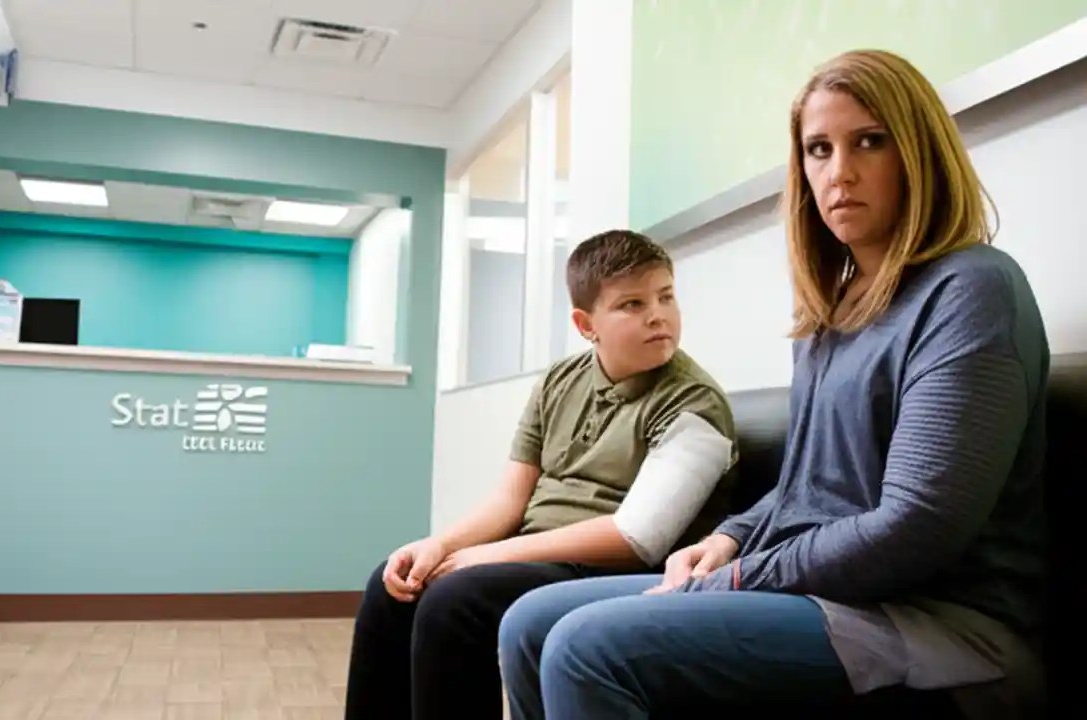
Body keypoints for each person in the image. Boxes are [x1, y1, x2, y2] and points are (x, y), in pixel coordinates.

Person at [497, 49, 1049, 720]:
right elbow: (808, 491)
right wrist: (729, 538)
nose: (839, 172)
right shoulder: (831, 310)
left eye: (869, 141)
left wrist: (741, 575)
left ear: (920, 151)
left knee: (586, 648)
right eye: (819, 149)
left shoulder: (972, 289)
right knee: (529, 623)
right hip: (830, 594)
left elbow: (917, 525)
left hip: (941, 622)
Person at [343, 230, 740, 720]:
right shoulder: (558, 381)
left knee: (455, 600)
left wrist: (483, 557)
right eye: (632, 304)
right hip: (539, 554)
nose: (658, 315)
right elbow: (510, 501)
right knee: (392, 584)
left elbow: (637, 538)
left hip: (615, 567)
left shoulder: (694, 402)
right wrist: (439, 546)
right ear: (585, 324)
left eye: (666, 297)